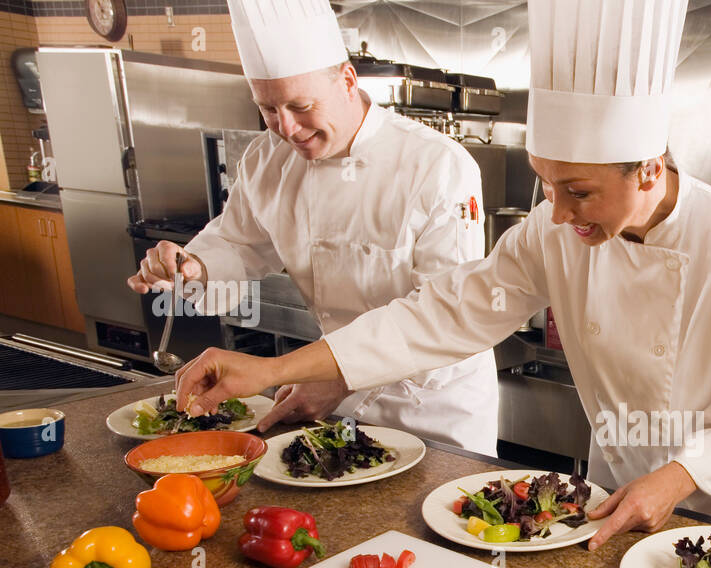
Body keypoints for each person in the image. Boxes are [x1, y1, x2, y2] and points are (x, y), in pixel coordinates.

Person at [175, 0, 711, 549]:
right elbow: (443, 312)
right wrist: (274, 369)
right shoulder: (556, 230)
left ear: (649, 170)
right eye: (544, 184)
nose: (556, 212)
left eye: (578, 191)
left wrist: (677, 478)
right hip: (613, 475)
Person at [127, 0, 499, 455]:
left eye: (300, 105)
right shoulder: (267, 158)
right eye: (267, 109)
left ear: (347, 81)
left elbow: (441, 317)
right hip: (328, 391)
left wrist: (331, 377)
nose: (287, 128)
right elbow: (239, 243)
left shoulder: (436, 165)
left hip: (431, 405)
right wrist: (192, 264)